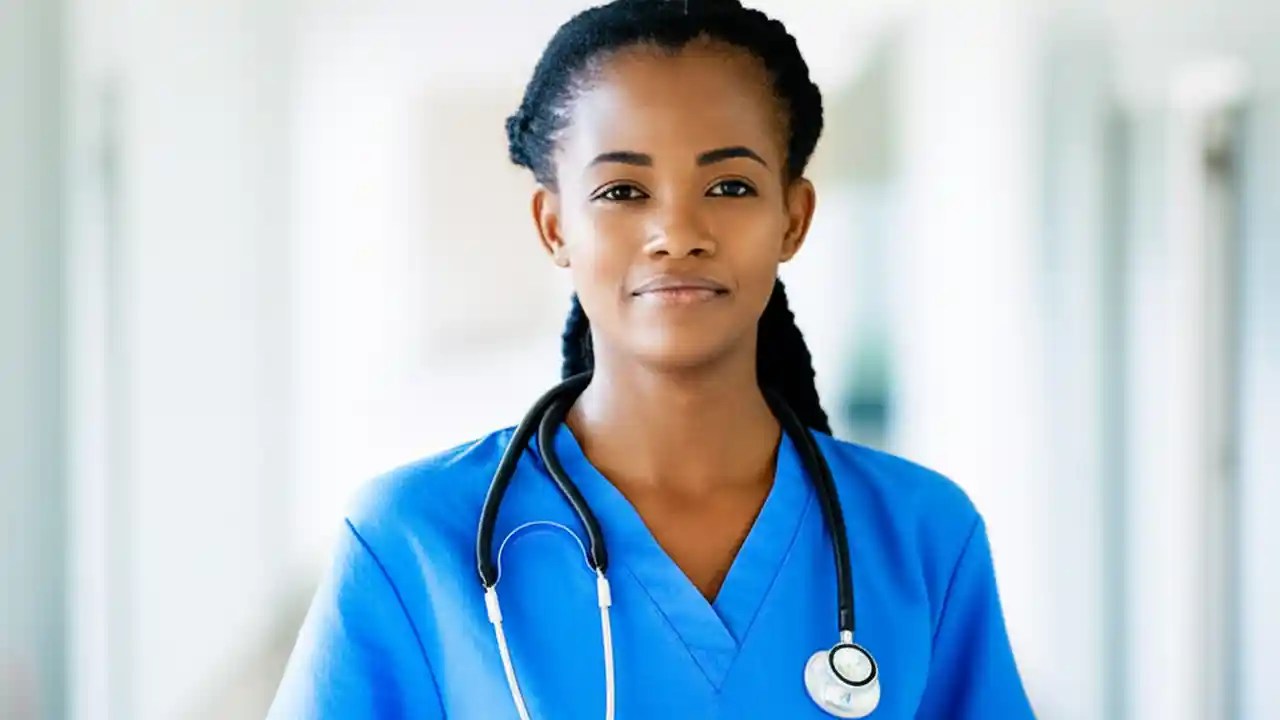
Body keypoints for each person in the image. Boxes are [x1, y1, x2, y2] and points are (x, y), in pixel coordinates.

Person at [266, 1, 1035, 717]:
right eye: (623, 191)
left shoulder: (922, 534)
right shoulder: (414, 540)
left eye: (730, 185)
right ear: (554, 225)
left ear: (793, 219)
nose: (677, 231)